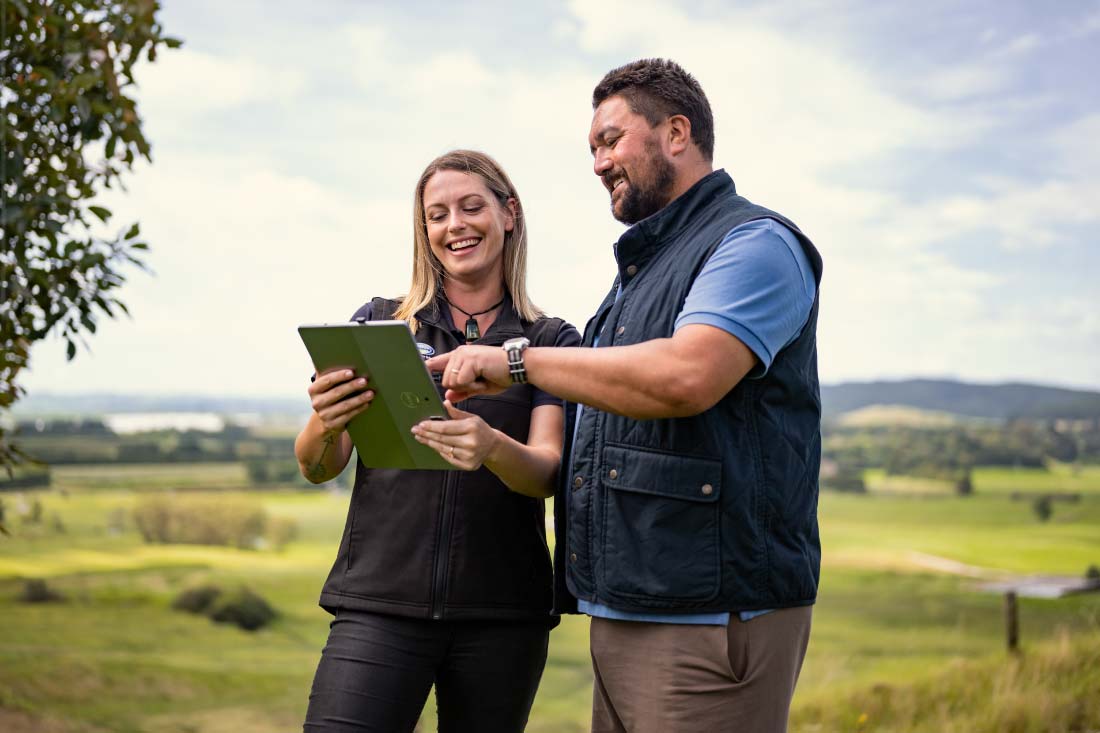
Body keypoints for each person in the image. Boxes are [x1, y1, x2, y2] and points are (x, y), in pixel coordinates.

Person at [427, 59, 824, 733]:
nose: (598, 163)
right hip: (630, 612)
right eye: (592, 149)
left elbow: (684, 377)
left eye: (610, 140)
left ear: (676, 132)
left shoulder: (754, 243)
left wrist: (517, 362)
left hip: (708, 621)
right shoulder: (639, 275)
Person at [295, 149, 580, 733]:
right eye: (438, 215)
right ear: (424, 230)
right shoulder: (379, 325)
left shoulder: (548, 341)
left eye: (471, 207)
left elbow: (548, 473)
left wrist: (492, 447)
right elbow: (319, 467)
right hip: (378, 603)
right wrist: (325, 420)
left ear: (510, 214)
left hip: (503, 614)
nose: (456, 226)